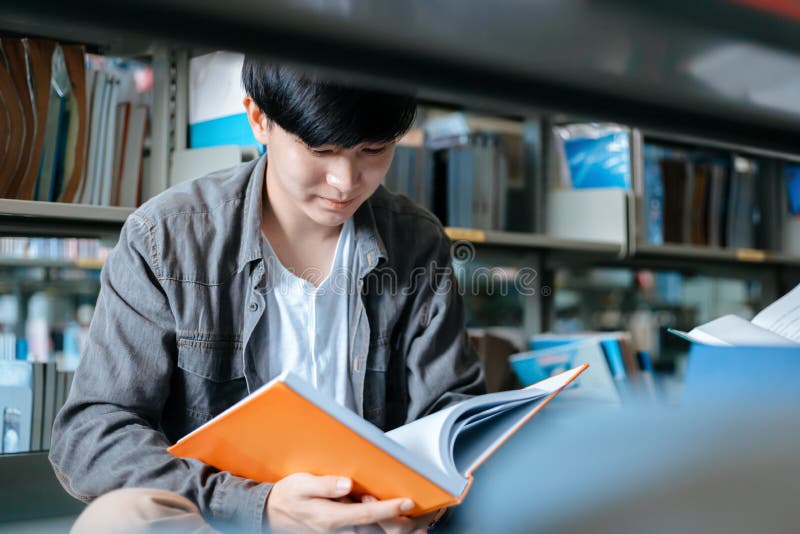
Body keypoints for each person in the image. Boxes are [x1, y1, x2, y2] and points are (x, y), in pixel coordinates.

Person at [50, 58, 485, 533]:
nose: (345, 181)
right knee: (118, 522)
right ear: (259, 119)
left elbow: (454, 411)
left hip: (375, 525)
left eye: (374, 150)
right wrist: (260, 505)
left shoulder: (417, 242)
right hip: (223, 524)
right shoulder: (165, 240)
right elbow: (91, 436)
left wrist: (428, 499)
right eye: (320, 149)